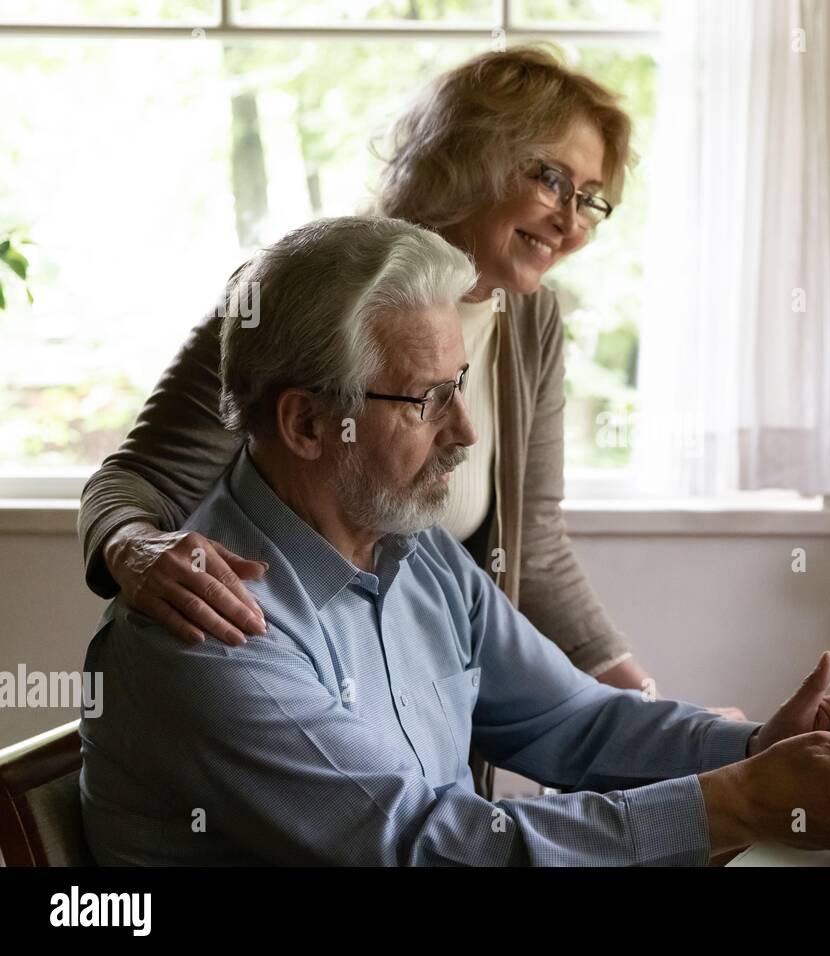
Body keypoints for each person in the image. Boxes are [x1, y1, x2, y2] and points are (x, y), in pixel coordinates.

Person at [80, 216, 830, 865]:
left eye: (459, 387)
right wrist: (739, 803)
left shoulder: (414, 549)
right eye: (427, 399)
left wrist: (750, 751)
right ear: (309, 423)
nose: (464, 433)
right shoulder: (206, 630)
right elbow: (419, 849)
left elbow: (573, 723)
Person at [75, 45, 743, 736]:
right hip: (265, 664)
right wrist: (134, 548)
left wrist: (649, 706)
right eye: (552, 180)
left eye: (590, 198)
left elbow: (534, 549)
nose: (571, 222)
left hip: (423, 690)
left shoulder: (532, 317)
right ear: (467, 156)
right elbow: (134, 482)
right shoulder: (309, 290)